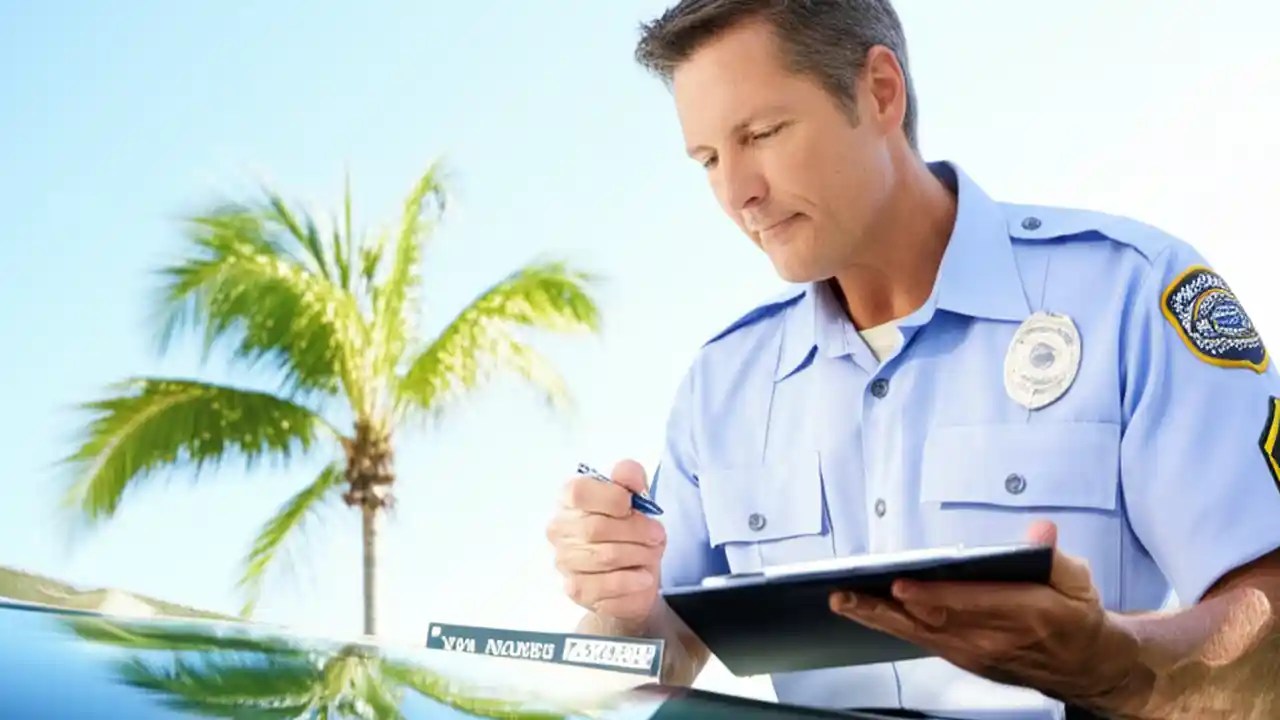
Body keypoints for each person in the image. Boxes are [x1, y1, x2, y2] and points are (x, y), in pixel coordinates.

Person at [544, 1, 1280, 717]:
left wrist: (1114, 664)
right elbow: (646, 662)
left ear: (881, 92)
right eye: (708, 159)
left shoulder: (1129, 292)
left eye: (763, 133)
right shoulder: (720, 388)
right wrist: (620, 606)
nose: (739, 193)